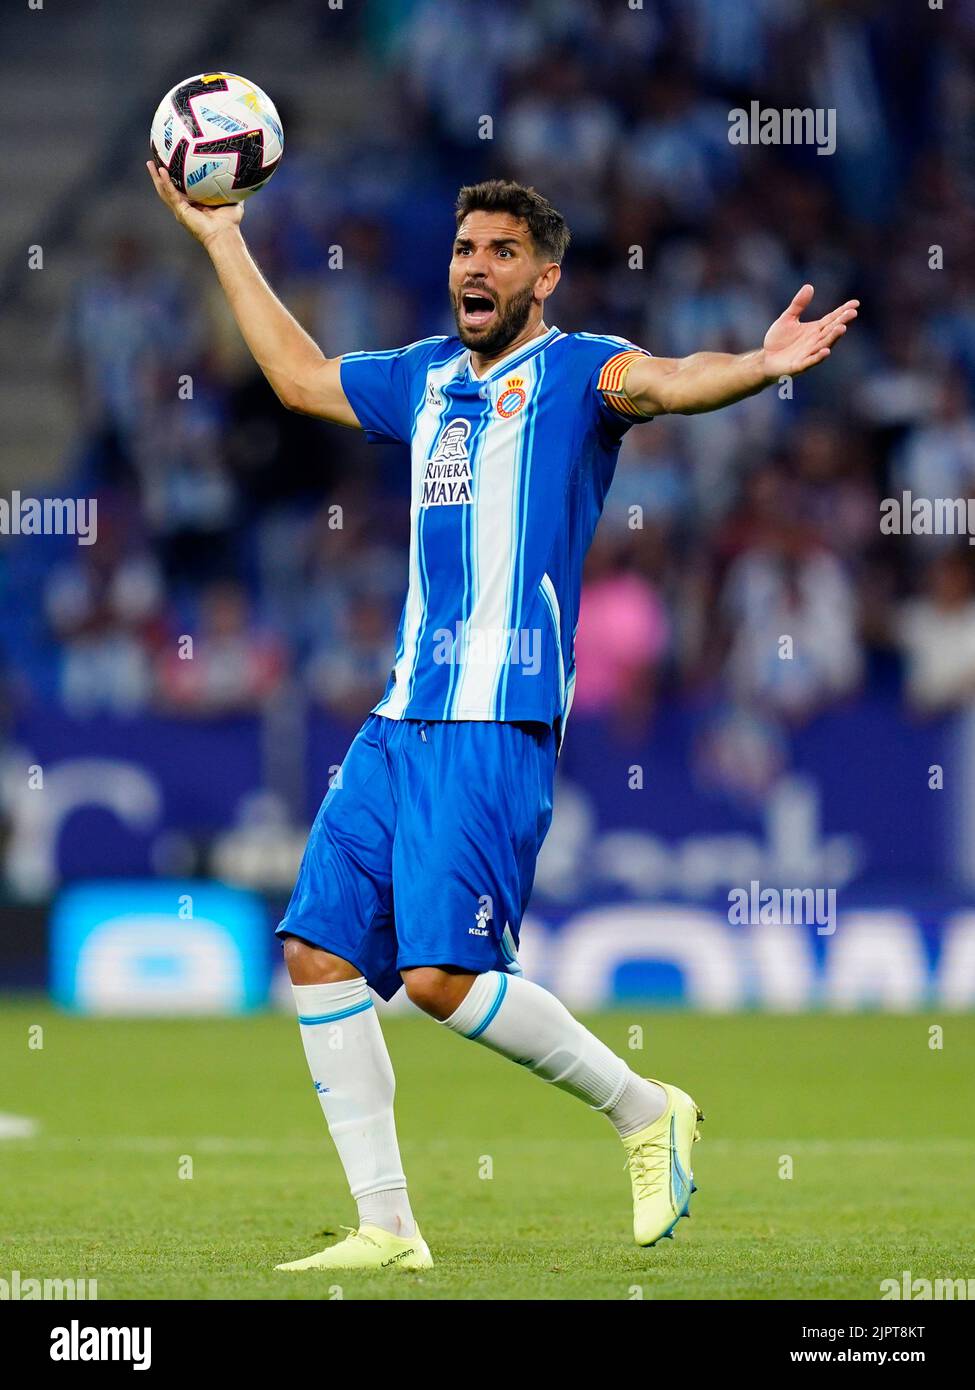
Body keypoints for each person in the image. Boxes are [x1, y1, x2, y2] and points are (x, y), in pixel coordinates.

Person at [148, 163, 859, 1272]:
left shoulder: (580, 374)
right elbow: (295, 378)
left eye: (501, 253)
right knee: (319, 951)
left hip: (499, 713)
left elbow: (673, 381)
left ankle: (642, 1107)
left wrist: (760, 368)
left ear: (546, 277)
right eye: (464, 249)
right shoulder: (424, 376)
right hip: (400, 714)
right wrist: (221, 236)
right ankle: (389, 1225)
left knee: (438, 978)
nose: (475, 268)